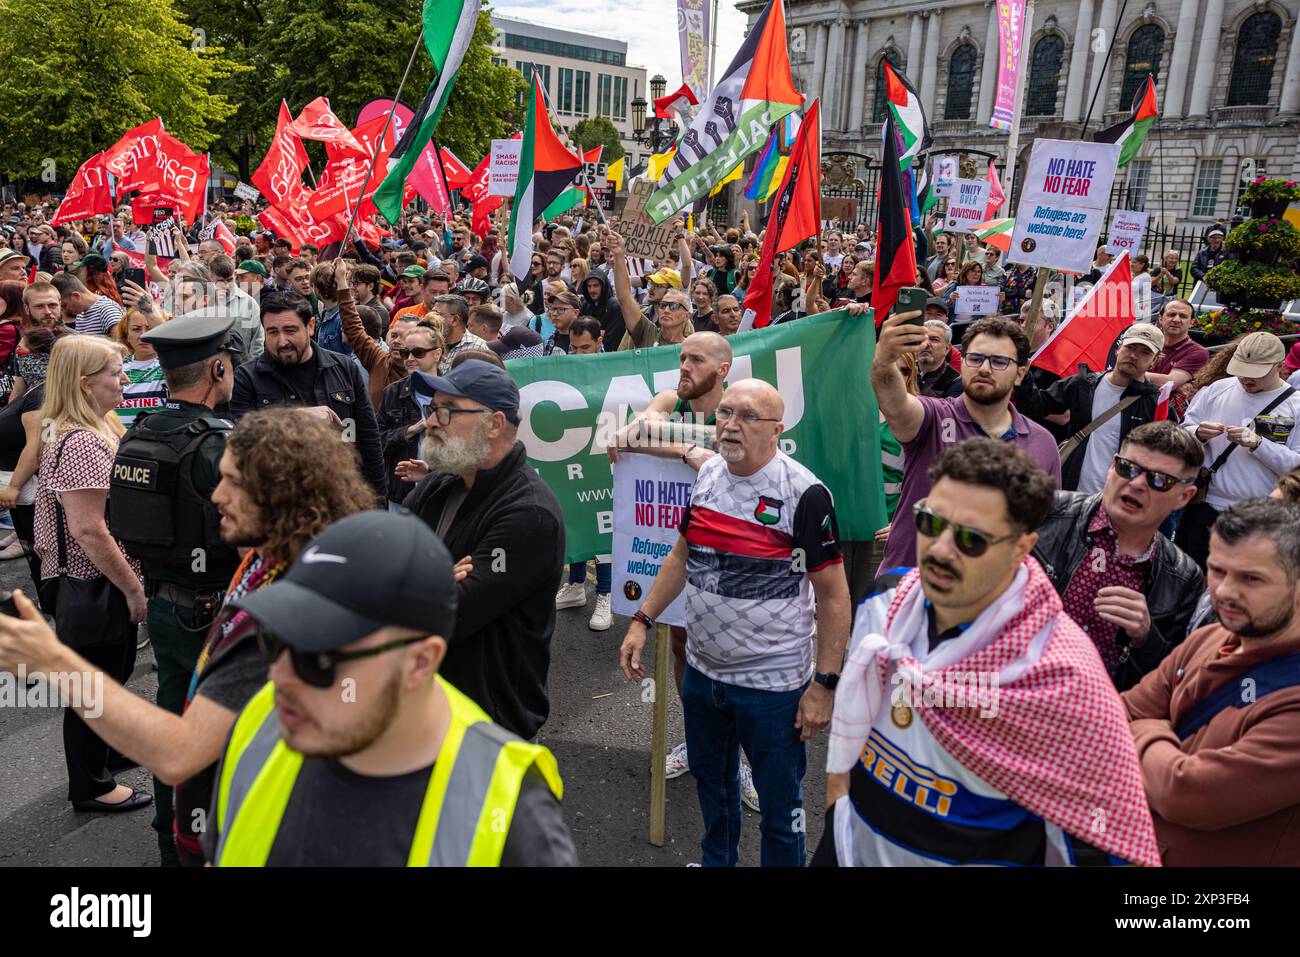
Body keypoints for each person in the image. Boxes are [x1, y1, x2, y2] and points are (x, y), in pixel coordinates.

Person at [0, 408, 375, 865]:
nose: (216, 495)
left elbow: (179, 752)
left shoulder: (286, 610)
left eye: (234, 482)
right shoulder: (275, 561)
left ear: (281, 492)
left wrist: (52, 661)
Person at [814, 439, 1160, 867]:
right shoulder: (884, 603)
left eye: (970, 539)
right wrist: (834, 822)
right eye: (930, 522)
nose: (940, 550)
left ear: (1021, 547)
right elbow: (853, 732)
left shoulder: (1064, 678)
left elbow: (1104, 847)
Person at [199, 510, 576, 866]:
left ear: (419, 663)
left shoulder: (513, 818)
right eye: (275, 642)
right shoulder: (260, 720)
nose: (279, 677)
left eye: (320, 662)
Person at [619, 378, 849, 867]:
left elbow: (833, 596)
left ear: (777, 430)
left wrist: (824, 685)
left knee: (780, 812)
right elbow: (682, 556)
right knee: (715, 791)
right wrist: (643, 619)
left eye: (747, 416)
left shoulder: (805, 493)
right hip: (703, 675)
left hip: (772, 686)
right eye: (725, 413)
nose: (730, 425)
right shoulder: (709, 476)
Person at [106, 311, 245, 864]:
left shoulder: (140, 430)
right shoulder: (216, 444)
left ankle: (172, 838)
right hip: (214, 609)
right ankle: (210, 842)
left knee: (173, 721)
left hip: (166, 601)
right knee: (219, 731)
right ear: (217, 368)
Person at [1124, 497, 1300, 865]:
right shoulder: (1209, 639)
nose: (1224, 592)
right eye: (1218, 571)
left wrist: (1148, 729)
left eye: (1251, 578)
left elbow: (1188, 795)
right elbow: (1115, 714)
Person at [398, 361, 565, 739]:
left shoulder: (529, 514)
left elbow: (447, 618)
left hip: (488, 729)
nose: (432, 422)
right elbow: (383, 553)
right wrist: (437, 579)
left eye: (447, 411)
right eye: (431, 410)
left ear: (494, 424)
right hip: (426, 710)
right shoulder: (443, 481)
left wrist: (410, 581)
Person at [33, 336, 149, 814]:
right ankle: (92, 786)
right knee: (93, 685)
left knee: (108, 675)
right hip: (91, 581)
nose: (124, 380)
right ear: (85, 384)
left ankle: (106, 752)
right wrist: (132, 587)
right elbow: (88, 529)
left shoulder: (85, 425)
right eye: (115, 373)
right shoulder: (82, 440)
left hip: (89, 578)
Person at [874, 313, 1062, 570]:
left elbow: (1045, 532)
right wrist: (884, 361)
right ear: (962, 364)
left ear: (1021, 373)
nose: (984, 368)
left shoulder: (1043, 444)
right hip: (909, 590)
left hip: (993, 599)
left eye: (998, 361)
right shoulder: (932, 417)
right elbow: (894, 401)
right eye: (975, 358)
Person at [1031, 421, 1205, 690]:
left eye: (1159, 480)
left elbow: (1171, 683)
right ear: (1113, 466)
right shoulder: (1044, 513)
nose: (1136, 484)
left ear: (1184, 496)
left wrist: (1146, 638)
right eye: (1128, 468)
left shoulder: (1184, 577)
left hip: (1099, 717)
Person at [230, 290, 386, 495]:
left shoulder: (344, 369)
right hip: (280, 502)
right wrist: (295, 418)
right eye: (273, 332)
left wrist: (377, 501)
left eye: (290, 330)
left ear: (311, 326)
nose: (282, 341)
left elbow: (368, 440)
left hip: (341, 497)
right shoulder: (248, 377)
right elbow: (242, 441)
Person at [1176, 331, 1300, 569]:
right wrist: (1199, 433)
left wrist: (1259, 445)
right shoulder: (1217, 389)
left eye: (1255, 374)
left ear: (1278, 366)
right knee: (1187, 575)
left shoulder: (1295, 404)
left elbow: (1296, 468)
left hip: (1261, 517)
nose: (1245, 379)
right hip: (1204, 506)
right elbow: (1183, 432)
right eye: (1241, 370)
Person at [1013, 323, 1164, 494]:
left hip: (1113, 499)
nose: (1134, 356)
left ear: (1155, 360)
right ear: (1118, 348)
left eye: (1145, 352)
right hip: (1068, 492)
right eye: (1130, 347)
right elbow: (1035, 406)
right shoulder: (1083, 384)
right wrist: (1024, 377)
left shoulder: (1155, 403)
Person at [377, 324, 444, 509]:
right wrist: (411, 430)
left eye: (418, 352)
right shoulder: (393, 393)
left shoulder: (454, 393)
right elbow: (377, 441)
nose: (410, 359)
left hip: (442, 493)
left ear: (437, 354)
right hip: (401, 495)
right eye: (406, 353)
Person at [1145, 299, 1209, 417]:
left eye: (1183, 316)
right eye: (1171, 314)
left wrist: (1132, 374)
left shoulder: (1197, 352)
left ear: (1192, 322)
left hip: (1163, 416)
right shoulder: (1146, 343)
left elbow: (1169, 383)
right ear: (1160, 319)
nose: (1176, 320)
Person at [111, 305, 169, 430]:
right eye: (136, 329)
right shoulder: (115, 367)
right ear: (127, 334)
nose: (143, 335)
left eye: (151, 328)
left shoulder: (170, 366)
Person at [431, 293, 489, 372]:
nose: (432, 319)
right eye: (431, 314)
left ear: (454, 319)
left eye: (437, 315)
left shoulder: (478, 348)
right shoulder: (429, 343)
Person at [52, 273, 123, 336]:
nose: (64, 310)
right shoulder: (81, 314)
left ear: (76, 296)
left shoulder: (107, 309)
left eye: (65, 305)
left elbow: (121, 340)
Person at [916, 315, 962, 399]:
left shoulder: (956, 382)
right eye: (922, 339)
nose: (926, 344)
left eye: (934, 339)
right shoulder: (904, 370)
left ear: (947, 349)